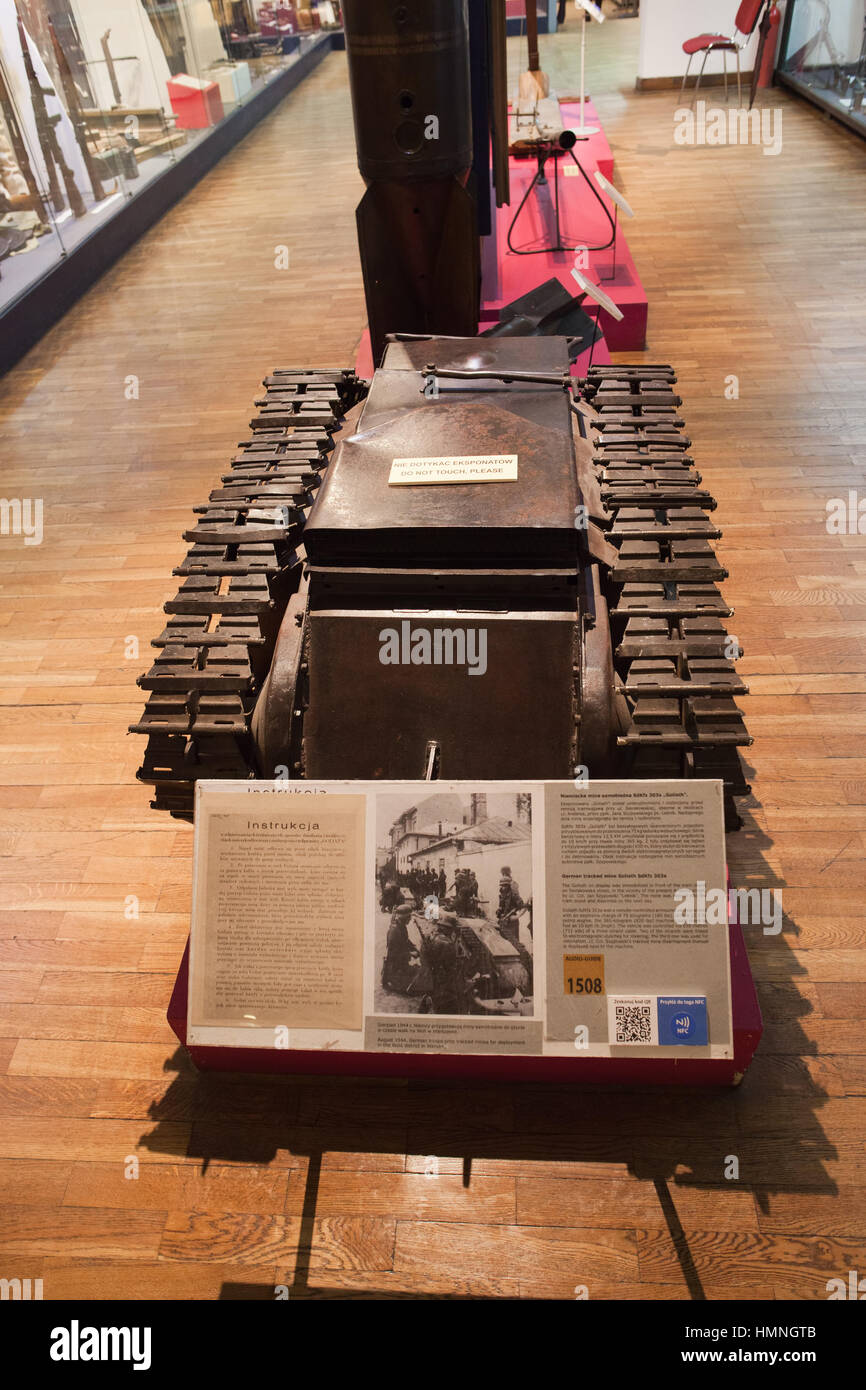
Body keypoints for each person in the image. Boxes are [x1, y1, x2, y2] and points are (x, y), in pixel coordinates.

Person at [382, 890, 417, 994]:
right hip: (395, 968)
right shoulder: (395, 931)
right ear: (404, 917)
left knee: (417, 973)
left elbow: (405, 941)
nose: (410, 919)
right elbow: (394, 954)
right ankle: (392, 981)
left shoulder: (401, 926)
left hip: (400, 964)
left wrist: (413, 947)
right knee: (416, 986)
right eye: (409, 917)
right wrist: (410, 953)